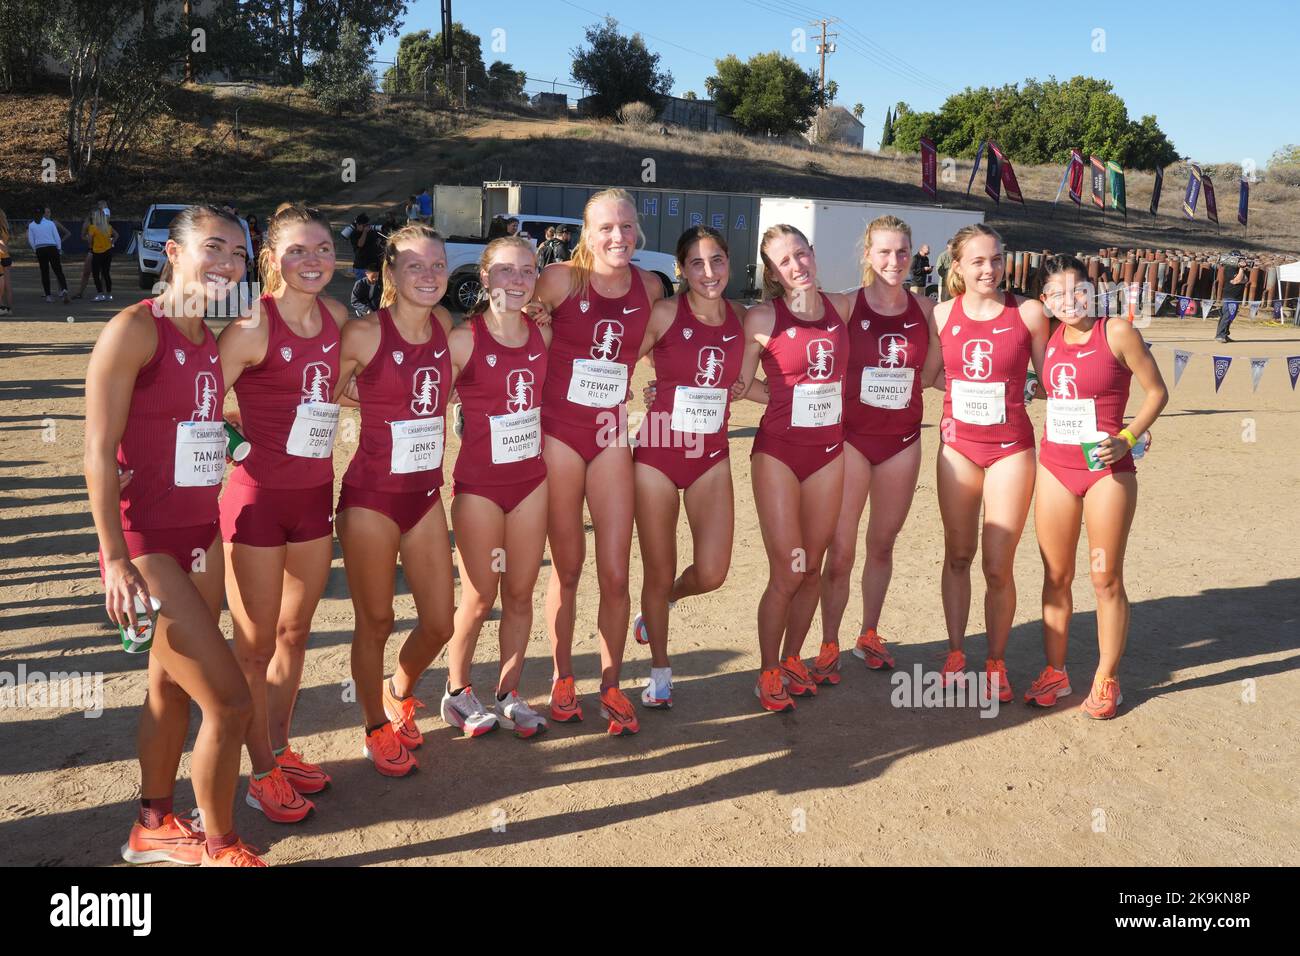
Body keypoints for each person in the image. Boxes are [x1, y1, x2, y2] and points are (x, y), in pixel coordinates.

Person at [85, 204, 264, 866]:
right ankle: (221, 844)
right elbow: (98, 453)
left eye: (238, 255)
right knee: (230, 702)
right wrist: (114, 560)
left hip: (201, 532)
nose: (226, 263)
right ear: (173, 252)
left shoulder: (205, 338)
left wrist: (227, 429)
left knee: (168, 688)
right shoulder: (136, 330)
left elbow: (191, 422)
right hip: (147, 542)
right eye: (213, 248)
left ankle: (152, 822)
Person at [217, 203, 348, 823]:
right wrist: (237, 443)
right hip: (257, 501)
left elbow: (353, 382)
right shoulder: (251, 324)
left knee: (295, 634)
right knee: (254, 644)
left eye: (322, 248)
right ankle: (259, 773)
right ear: (272, 259)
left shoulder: (339, 319)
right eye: (298, 250)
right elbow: (199, 399)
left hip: (313, 498)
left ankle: (279, 746)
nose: (313, 260)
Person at [533, 187, 666, 735]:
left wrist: (662, 386)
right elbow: (526, 343)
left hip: (612, 433)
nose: (619, 238)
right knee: (567, 567)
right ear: (586, 233)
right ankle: (563, 677)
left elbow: (665, 344)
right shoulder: (561, 280)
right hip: (559, 433)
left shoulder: (652, 286)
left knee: (615, 572)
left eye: (628, 227)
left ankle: (612, 684)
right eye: (607, 228)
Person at [334, 223, 458, 775]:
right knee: (376, 621)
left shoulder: (447, 325)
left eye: (437, 265)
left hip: (425, 494)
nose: (429, 275)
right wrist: (365, 400)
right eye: (415, 265)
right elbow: (326, 388)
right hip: (370, 498)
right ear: (390, 274)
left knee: (440, 621)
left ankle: (397, 691)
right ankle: (373, 727)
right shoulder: (363, 333)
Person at [1030, 255, 1168, 718]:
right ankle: (1055, 670)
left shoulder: (1118, 332)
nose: (1070, 301)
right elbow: (1058, 390)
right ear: (1045, 302)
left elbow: (1156, 392)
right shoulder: (1047, 340)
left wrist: (1128, 436)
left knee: (1105, 577)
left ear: (1093, 290)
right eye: (1057, 294)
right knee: (1055, 575)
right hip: (1054, 467)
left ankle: (1107, 678)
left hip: (1107, 470)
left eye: (1078, 290)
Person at [817, 216, 942, 682]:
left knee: (882, 544)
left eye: (903, 252)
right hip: (851, 440)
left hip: (903, 441)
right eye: (885, 252)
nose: (895, 261)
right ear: (868, 254)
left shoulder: (927, 310)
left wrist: (1005, 390)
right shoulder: (847, 306)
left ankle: (868, 633)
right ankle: (828, 642)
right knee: (842, 550)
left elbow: (932, 376)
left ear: (913, 255)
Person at [735, 224, 851, 712]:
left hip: (828, 452)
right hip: (779, 452)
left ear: (813, 254)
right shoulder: (762, 317)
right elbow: (740, 385)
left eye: (801, 254)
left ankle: (792, 658)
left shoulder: (842, 308)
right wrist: (781, 397)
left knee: (811, 570)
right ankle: (766, 670)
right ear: (773, 272)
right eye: (785, 261)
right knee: (788, 569)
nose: (797, 265)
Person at [631, 226, 747, 709]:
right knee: (657, 570)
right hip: (657, 452)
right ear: (681, 269)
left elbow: (748, 384)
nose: (708, 272)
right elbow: (613, 360)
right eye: (696, 263)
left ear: (729, 263)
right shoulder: (663, 313)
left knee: (713, 571)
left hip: (711, 456)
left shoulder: (742, 317)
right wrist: (645, 392)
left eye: (717, 260)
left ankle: (671, 598)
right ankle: (659, 669)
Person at [443, 236, 553, 738]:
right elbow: (419, 399)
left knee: (522, 593)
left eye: (527, 271)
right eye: (505, 270)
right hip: (479, 486)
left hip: (530, 482)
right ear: (484, 278)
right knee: (480, 595)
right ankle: (457, 693)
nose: (516, 279)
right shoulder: (464, 340)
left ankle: (509, 693)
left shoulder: (541, 334)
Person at [933, 223, 1049, 703]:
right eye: (978, 261)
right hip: (958, 448)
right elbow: (929, 375)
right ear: (957, 266)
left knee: (998, 565)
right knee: (958, 556)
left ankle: (996, 662)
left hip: (1010, 450)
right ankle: (956, 653)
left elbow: (1050, 380)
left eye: (997, 259)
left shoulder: (1029, 313)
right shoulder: (940, 314)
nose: (990, 268)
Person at [27, 207, 71, 303]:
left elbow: (31, 240)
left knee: (44, 272)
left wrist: (36, 249)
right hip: (52, 247)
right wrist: (58, 249)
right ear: (43, 214)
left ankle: (48, 295)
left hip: (40, 248)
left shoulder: (31, 225)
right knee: (58, 270)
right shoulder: (50, 223)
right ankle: (64, 290)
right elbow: (56, 237)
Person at [86, 207, 118, 301]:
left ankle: (100, 294)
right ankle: (109, 294)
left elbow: (90, 239)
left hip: (97, 253)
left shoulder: (93, 227)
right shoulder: (108, 227)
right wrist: (112, 243)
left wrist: (90, 247)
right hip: (108, 252)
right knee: (106, 273)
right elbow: (116, 235)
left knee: (96, 274)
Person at [1215, 262, 1247, 343]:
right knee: (1227, 317)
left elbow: (1245, 280)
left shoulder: (1238, 270)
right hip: (1230, 297)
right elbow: (1237, 280)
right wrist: (1241, 269)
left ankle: (1224, 335)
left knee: (1230, 317)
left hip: (1235, 298)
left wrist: (1241, 271)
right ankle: (1220, 335)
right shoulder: (1229, 269)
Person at [0, 208, 13, 315]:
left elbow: (3, 245)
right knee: (7, 284)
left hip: (1, 257)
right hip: (7, 257)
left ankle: (2, 306)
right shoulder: (5, 227)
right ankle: (9, 308)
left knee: (2, 283)